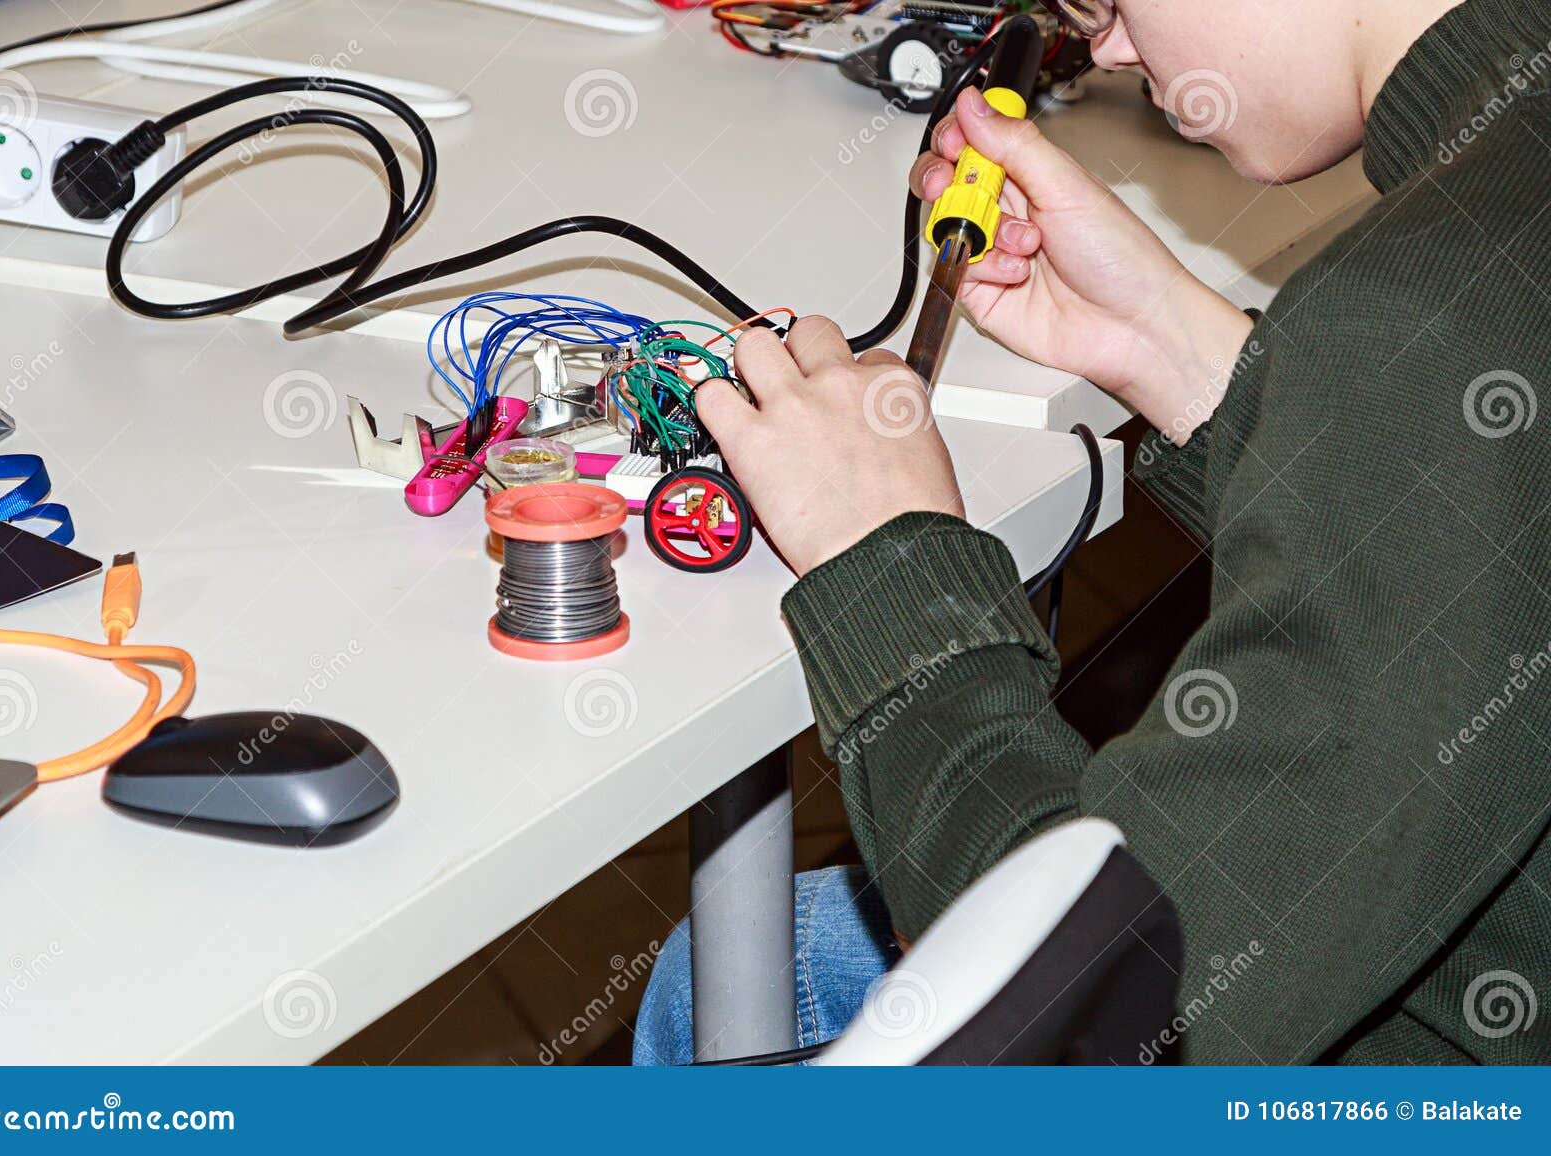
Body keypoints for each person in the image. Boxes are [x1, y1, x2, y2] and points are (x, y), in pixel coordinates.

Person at [636, 0, 1551, 1065]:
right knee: (754, 954)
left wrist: (883, 562)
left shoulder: (1422, 316)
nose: (1110, 49)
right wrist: (1165, 339)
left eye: (1113, 5)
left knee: (739, 981)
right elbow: (1460, 561)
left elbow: (1100, 1020)